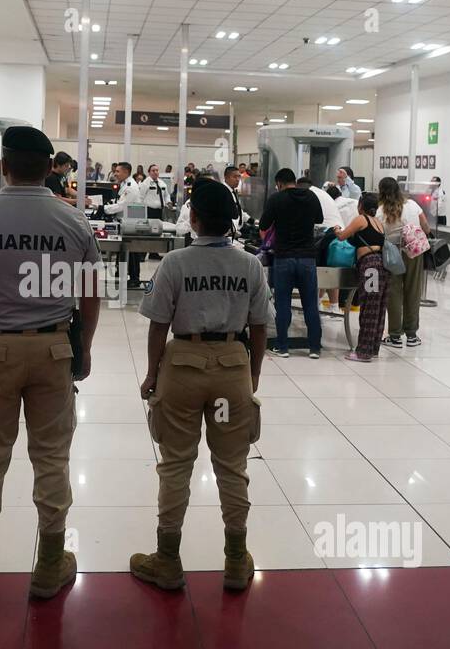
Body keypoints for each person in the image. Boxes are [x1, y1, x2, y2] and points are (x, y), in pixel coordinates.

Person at [0, 126, 101, 603]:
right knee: (51, 456)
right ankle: (50, 567)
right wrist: (85, 348)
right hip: (54, 349)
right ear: (51, 167)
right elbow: (91, 293)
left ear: (4, 166)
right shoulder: (73, 222)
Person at [132, 177, 268, 593]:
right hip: (231, 369)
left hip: (183, 369)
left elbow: (159, 327)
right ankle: (234, 560)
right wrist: (252, 375)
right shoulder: (250, 264)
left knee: (176, 463)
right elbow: (260, 328)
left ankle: (168, 561)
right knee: (231, 466)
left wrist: (153, 374)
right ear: (230, 223)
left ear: (192, 218)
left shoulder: (175, 263)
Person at [259, 169, 323, 358]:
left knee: (283, 303)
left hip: (284, 257)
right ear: (294, 181)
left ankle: (283, 346)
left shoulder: (276, 199)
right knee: (310, 303)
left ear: (279, 183)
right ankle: (314, 348)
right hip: (307, 258)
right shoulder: (310, 196)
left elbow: (263, 225)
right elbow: (319, 219)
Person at [333, 192, 388, 362]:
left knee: (369, 309)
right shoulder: (379, 223)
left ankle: (363, 352)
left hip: (370, 266)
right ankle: (372, 348)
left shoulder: (361, 219)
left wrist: (336, 229)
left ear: (361, 206)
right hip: (382, 266)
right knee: (378, 309)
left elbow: (342, 236)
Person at [378, 177, 430, 348]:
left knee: (394, 294)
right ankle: (412, 335)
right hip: (414, 252)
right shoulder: (413, 205)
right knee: (413, 292)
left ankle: (394, 336)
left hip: (392, 253)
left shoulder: (380, 211)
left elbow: (379, 233)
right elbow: (426, 226)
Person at [104, 162, 145, 286]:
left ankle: (134, 278)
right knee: (123, 250)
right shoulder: (124, 184)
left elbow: (122, 206)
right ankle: (121, 273)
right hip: (125, 222)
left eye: (118, 171)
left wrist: (105, 208)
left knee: (133, 252)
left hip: (132, 222)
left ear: (126, 172)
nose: (115, 173)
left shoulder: (131, 186)